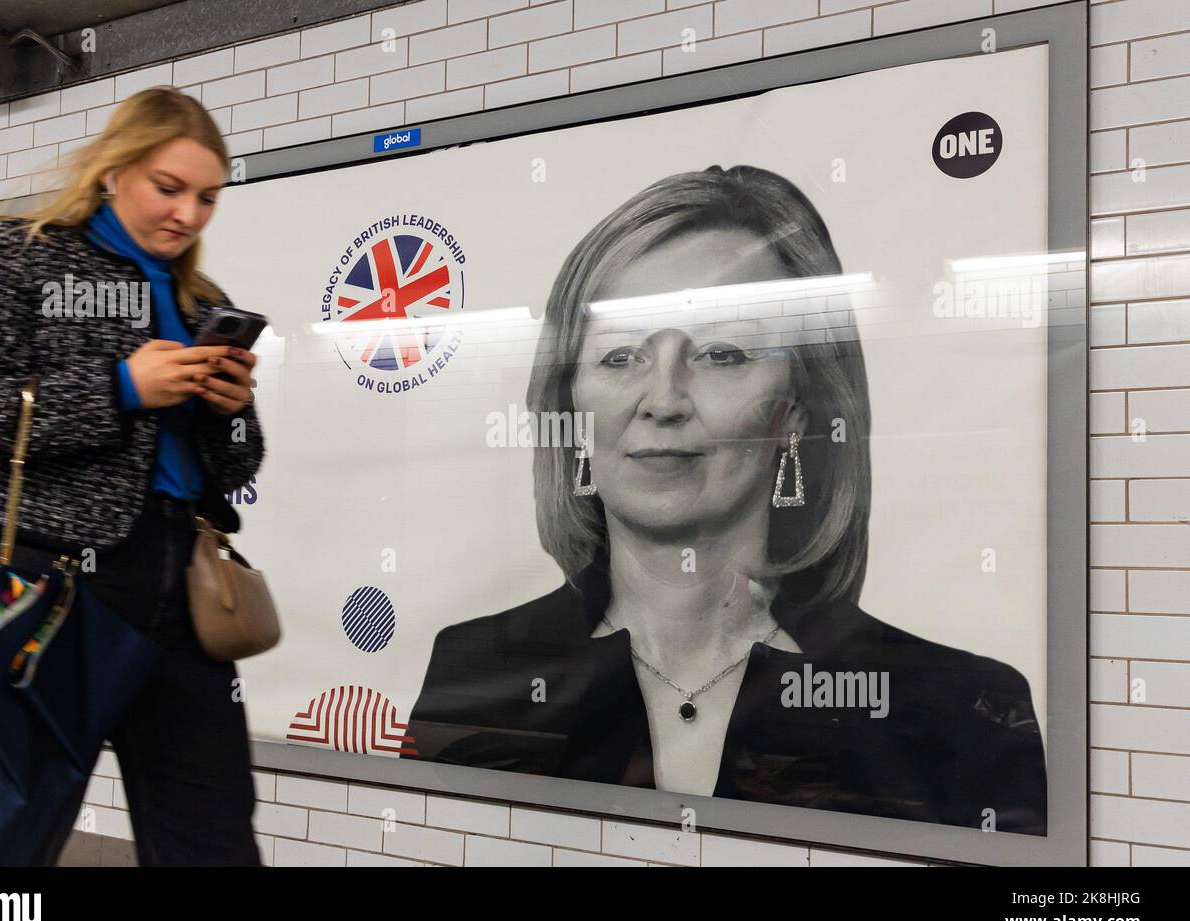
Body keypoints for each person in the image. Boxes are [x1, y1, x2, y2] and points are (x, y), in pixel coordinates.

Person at [402, 165, 1047, 835]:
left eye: (721, 353)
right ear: (571, 403)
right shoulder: (475, 668)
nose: (662, 401)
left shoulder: (961, 708)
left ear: (799, 409)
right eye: (621, 358)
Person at [0, 87, 265, 864]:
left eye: (207, 198)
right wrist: (120, 388)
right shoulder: (18, 251)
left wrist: (230, 410)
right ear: (113, 172)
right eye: (167, 188)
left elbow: (240, 464)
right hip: (57, 592)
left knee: (212, 837)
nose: (188, 215)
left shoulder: (203, 300)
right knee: (1, 838)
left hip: (186, 597)